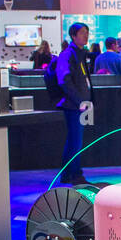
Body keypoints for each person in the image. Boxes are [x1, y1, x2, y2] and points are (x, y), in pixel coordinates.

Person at [54, 22, 92, 185]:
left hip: (81, 104)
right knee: (75, 141)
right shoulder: (68, 54)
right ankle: (74, 174)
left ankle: (69, 174)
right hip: (74, 105)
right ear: (73, 36)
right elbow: (64, 80)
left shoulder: (80, 53)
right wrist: (79, 101)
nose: (86, 35)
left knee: (75, 140)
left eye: (87, 32)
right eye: (82, 33)